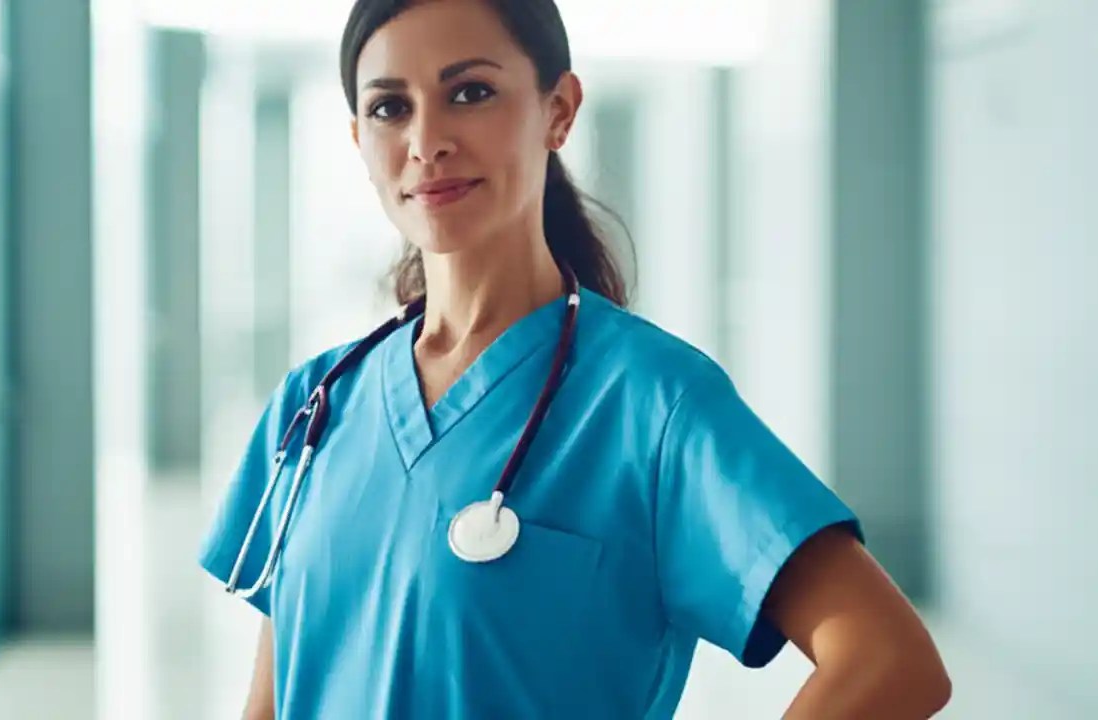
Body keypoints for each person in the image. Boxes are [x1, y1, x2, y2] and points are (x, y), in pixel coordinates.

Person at [199, 0, 952, 717]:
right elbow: (270, 703)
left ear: (558, 110)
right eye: (390, 107)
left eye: (470, 93)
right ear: (359, 138)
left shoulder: (653, 405)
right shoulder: (316, 404)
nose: (426, 141)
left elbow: (888, 660)